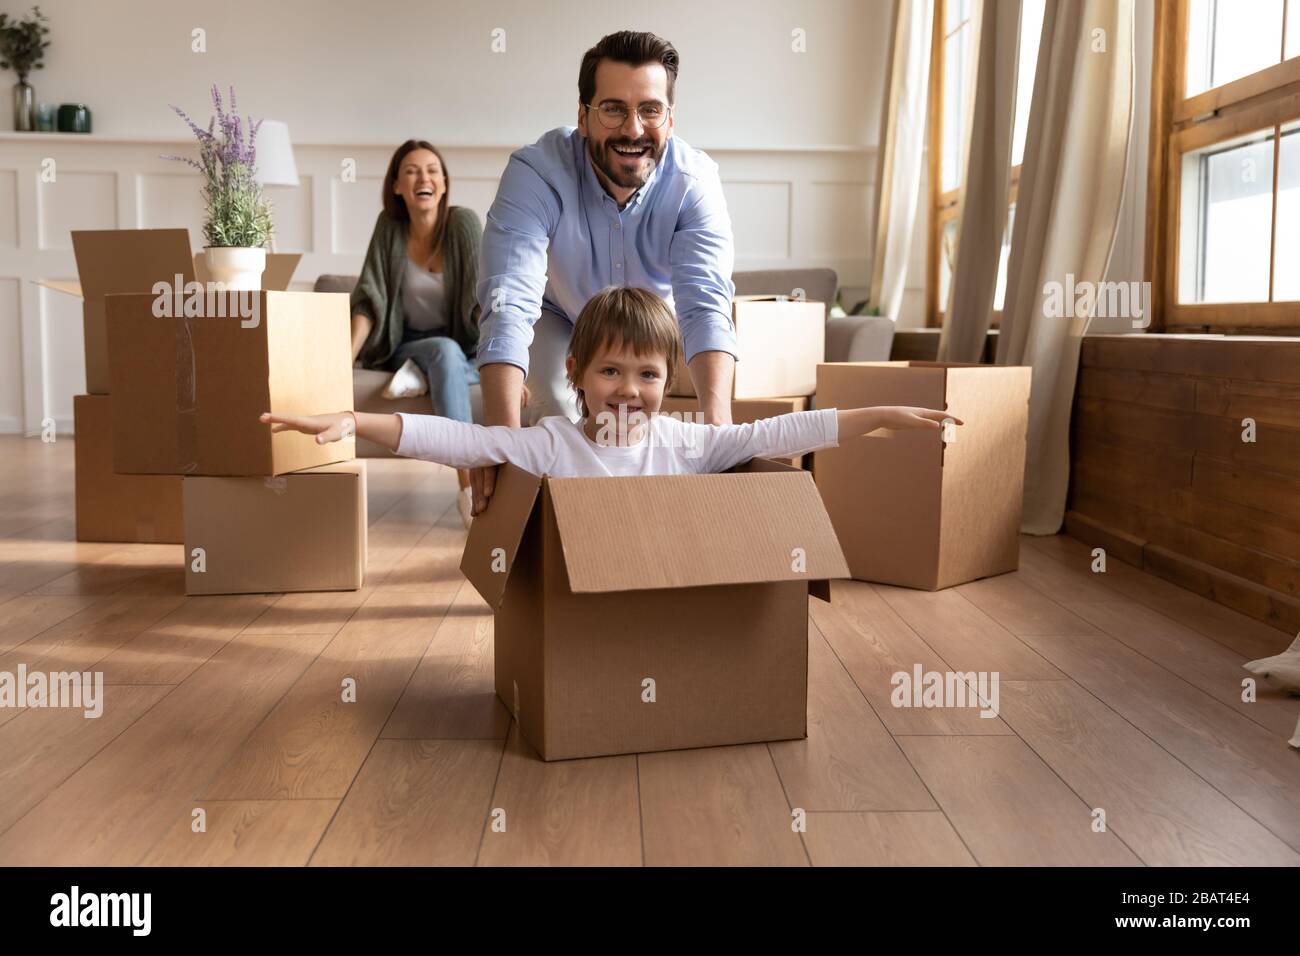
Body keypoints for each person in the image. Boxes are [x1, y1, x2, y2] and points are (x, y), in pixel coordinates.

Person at [261, 286, 962, 479]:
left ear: (670, 380)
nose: (629, 389)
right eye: (610, 371)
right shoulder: (552, 444)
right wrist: (359, 425)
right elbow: (459, 440)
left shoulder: (689, 445)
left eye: (648, 374)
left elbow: (790, 430)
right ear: (576, 374)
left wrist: (883, 412)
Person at [469, 31, 741, 511]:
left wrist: (721, 434)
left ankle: (630, 521)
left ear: (670, 119)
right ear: (583, 116)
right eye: (613, 108)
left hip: (647, 320)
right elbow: (508, 301)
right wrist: (499, 441)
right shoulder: (535, 172)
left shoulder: (695, 183)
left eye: (650, 110)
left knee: (631, 426)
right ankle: (561, 533)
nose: (633, 129)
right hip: (556, 311)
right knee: (555, 413)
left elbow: (704, 305)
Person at [350, 139, 483, 526]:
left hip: (464, 344)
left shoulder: (463, 224)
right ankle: (468, 486)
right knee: (443, 352)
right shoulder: (389, 228)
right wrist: (341, 363)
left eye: (431, 170)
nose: (422, 177)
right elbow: (369, 299)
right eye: (410, 171)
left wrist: (509, 363)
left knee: (449, 355)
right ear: (396, 186)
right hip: (403, 343)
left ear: (443, 183)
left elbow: (482, 300)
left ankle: (425, 377)